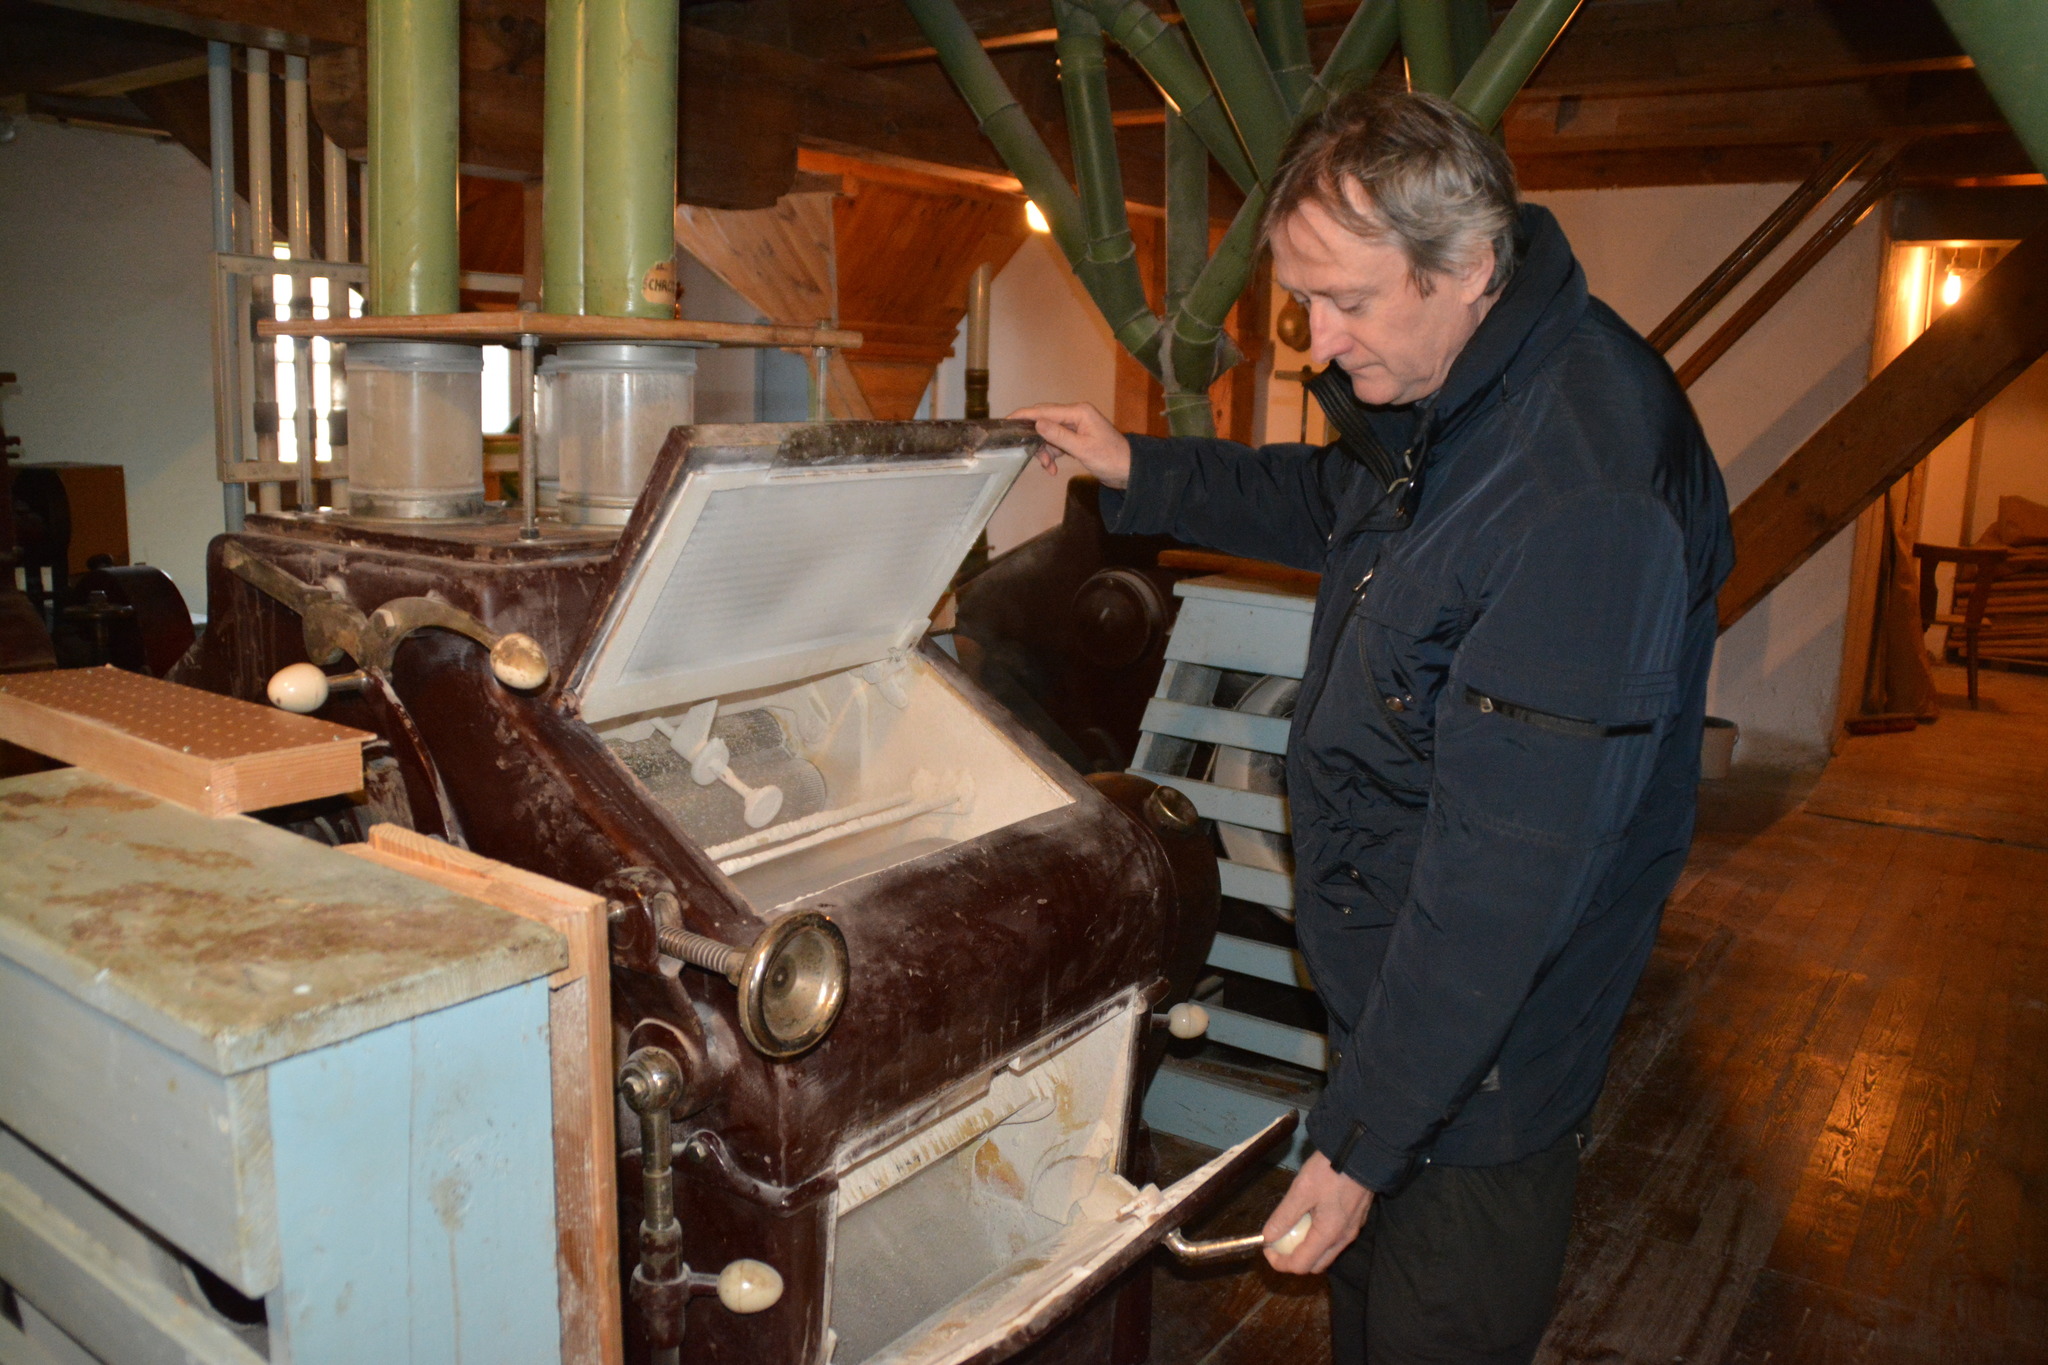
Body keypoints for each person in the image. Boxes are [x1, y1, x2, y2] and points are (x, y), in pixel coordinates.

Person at [1015, 90, 1733, 1364]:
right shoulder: (1468, 384)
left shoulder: (1580, 493)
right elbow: (1334, 497)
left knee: (1432, 1316)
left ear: (1463, 266)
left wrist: (1358, 1142)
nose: (1318, 340)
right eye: (1303, 302)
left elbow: (1502, 887)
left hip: (1483, 1051)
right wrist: (1142, 464)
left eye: (1345, 301)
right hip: (1402, 994)